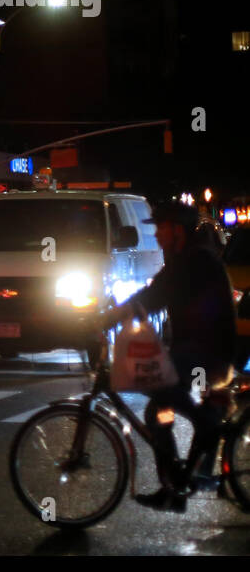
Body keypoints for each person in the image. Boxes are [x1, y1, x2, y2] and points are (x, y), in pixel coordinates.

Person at [93, 202, 238, 512]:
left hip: (208, 353)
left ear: (177, 230)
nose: (156, 234)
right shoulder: (184, 258)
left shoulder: (195, 260)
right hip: (196, 348)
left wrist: (114, 316)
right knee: (158, 413)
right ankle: (174, 485)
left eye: (161, 228)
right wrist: (119, 314)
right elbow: (157, 294)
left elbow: (155, 296)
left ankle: (204, 424)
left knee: (159, 387)